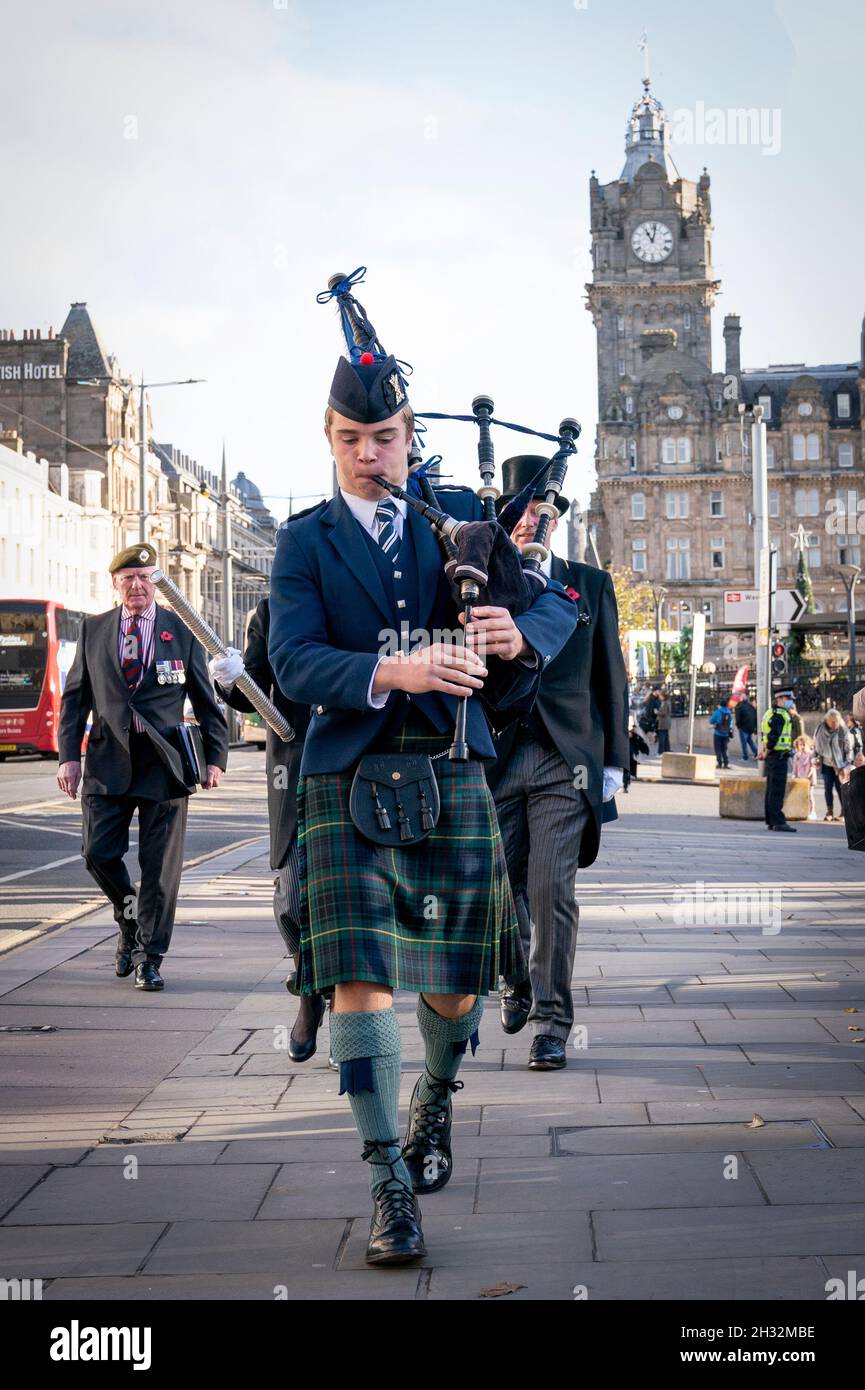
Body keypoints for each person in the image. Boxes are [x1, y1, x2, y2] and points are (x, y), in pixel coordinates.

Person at [267, 346, 577, 1266]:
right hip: (347, 780)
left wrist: (516, 631)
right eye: (353, 437)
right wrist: (390, 669)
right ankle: (385, 1183)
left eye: (387, 436)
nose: (371, 453)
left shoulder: (461, 530)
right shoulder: (303, 541)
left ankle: (433, 1099)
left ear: (410, 438)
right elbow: (293, 661)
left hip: (449, 770)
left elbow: (560, 604)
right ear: (330, 439)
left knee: (452, 986)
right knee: (359, 981)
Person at [486, 456, 629, 1070]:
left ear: (555, 519)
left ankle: (551, 1021)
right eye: (519, 514)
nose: (531, 523)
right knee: (499, 892)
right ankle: (515, 978)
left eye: (542, 512)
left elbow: (610, 678)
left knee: (551, 891)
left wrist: (614, 763)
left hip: (564, 764)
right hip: (495, 758)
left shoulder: (587, 585)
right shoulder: (480, 582)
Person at [57, 544, 229, 988]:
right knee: (97, 853)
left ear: (156, 583)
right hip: (106, 759)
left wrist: (215, 758)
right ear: (115, 584)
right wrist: (68, 758)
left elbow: (208, 703)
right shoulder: (93, 629)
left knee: (160, 869)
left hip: (165, 765)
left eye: (145, 577)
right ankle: (129, 919)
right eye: (128, 577)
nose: (137, 585)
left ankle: (149, 956)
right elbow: (75, 700)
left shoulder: (181, 629)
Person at [209, 594, 330, 1062]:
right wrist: (230, 677)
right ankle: (309, 988)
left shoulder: (364, 587)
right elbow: (252, 690)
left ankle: (347, 1015)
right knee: (292, 899)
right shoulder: (272, 609)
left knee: (352, 901)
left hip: (363, 757)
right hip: (295, 763)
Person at [758, 689, 796, 832]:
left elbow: (765, 735)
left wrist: (764, 752)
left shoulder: (770, 713)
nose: (791, 701)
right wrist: (766, 752)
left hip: (773, 756)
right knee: (777, 791)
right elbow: (773, 738)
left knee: (771, 789)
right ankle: (778, 821)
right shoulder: (781, 715)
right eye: (788, 698)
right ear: (781, 699)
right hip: (778, 756)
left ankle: (771, 820)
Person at [814, 708, 854, 822]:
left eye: (836, 722)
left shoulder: (843, 730)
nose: (834, 724)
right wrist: (816, 759)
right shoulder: (820, 729)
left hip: (841, 765)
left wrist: (847, 764)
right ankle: (829, 811)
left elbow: (849, 748)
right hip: (827, 763)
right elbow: (817, 746)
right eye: (832, 722)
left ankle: (844, 812)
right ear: (827, 720)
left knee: (841, 788)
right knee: (827, 787)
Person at [709, 698, 733, 768]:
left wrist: (716, 723)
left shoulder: (717, 712)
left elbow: (711, 721)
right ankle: (726, 763)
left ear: (720, 705)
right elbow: (731, 723)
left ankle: (719, 763)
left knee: (718, 749)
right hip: (726, 734)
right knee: (724, 749)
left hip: (718, 733)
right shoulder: (729, 713)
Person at [734, 695, 758, 761]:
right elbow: (755, 716)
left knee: (744, 743)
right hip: (751, 727)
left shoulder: (739, 706)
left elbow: (738, 717)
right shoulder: (751, 706)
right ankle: (757, 752)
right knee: (750, 741)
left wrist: (738, 726)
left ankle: (745, 757)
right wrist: (754, 727)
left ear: (741, 698)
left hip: (743, 727)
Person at [656, 690, 672, 755]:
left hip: (663, 722)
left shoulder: (665, 703)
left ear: (663, 696)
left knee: (662, 738)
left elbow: (664, 712)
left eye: (660, 695)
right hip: (666, 722)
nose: (659, 697)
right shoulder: (667, 702)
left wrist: (657, 712)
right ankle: (667, 750)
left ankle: (661, 751)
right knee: (666, 737)